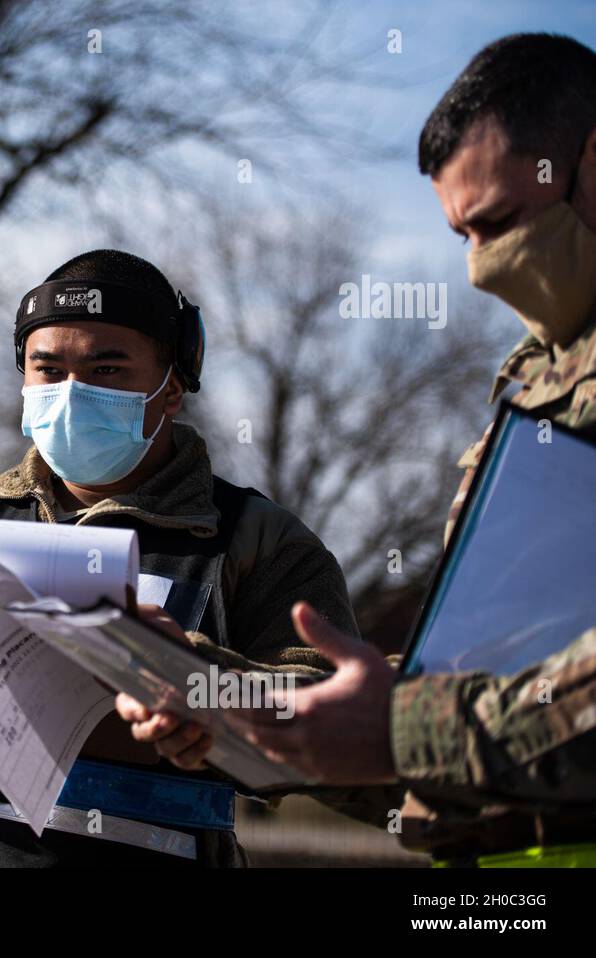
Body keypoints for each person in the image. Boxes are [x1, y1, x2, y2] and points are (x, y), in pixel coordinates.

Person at [137, 33, 596, 868]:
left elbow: (426, 725)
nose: (478, 268)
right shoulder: (533, 382)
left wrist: (400, 730)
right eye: (460, 234)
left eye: (496, 223)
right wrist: (228, 698)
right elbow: (473, 696)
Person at [0, 249, 363, 867]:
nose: (73, 393)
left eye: (107, 369)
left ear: (172, 386)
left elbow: (334, 722)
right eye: (49, 370)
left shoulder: (261, 542)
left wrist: (202, 695)